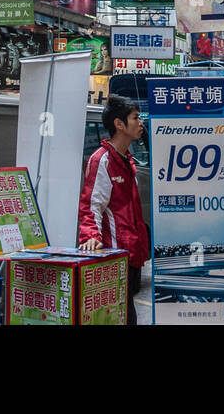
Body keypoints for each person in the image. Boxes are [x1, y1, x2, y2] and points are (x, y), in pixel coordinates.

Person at [77, 94, 150, 323]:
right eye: (136, 118)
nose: (141, 123)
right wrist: (91, 236)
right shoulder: (102, 160)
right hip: (115, 258)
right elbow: (92, 205)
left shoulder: (127, 160)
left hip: (132, 256)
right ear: (119, 124)